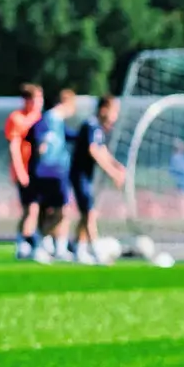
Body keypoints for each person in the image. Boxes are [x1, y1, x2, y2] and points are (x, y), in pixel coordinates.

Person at [70, 95, 128, 264]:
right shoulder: (91, 125)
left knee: (87, 212)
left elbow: (102, 150)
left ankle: (79, 250)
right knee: (89, 213)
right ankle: (96, 251)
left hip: (86, 176)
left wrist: (116, 165)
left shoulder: (97, 128)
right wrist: (112, 172)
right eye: (113, 111)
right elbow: (93, 150)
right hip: (79, 175)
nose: (115, 116)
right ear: (104, 110)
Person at [25, 88, 78, 262]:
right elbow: (41, 142)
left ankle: (57, 247)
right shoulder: (49, 119)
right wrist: (42, 154)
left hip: (57, 172)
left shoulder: (59, 122)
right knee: (58, 211)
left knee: (60, 211)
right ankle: (40, 244)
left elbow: (71, 137)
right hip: (51, 172)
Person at [4, 83, 44, 259]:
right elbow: (14, 146)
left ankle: (25, 242)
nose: (39, 103)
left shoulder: (39, 117)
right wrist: (20, 171)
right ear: (27, 100)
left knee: (35, 210)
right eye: (36, 99)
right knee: (31, 209)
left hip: (40, 170)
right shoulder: (17, 118)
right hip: (26, 171)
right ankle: (26, 244)